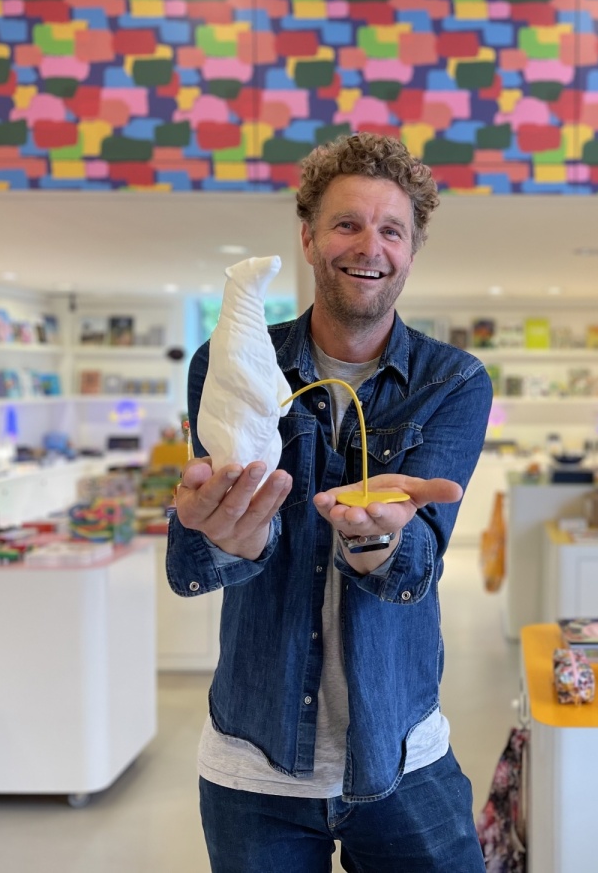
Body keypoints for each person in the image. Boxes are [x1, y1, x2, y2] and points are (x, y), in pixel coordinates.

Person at [165, 133, 493, 873]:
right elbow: (207, 552)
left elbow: (418, 563)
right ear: (308, 237)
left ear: (411, 250)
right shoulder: (230, 363)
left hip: (402, 749)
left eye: (392, 229)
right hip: (254, 756)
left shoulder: (454, 381)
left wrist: (378, 541)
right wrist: (224, 540)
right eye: (347, 223)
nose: (368, 245)